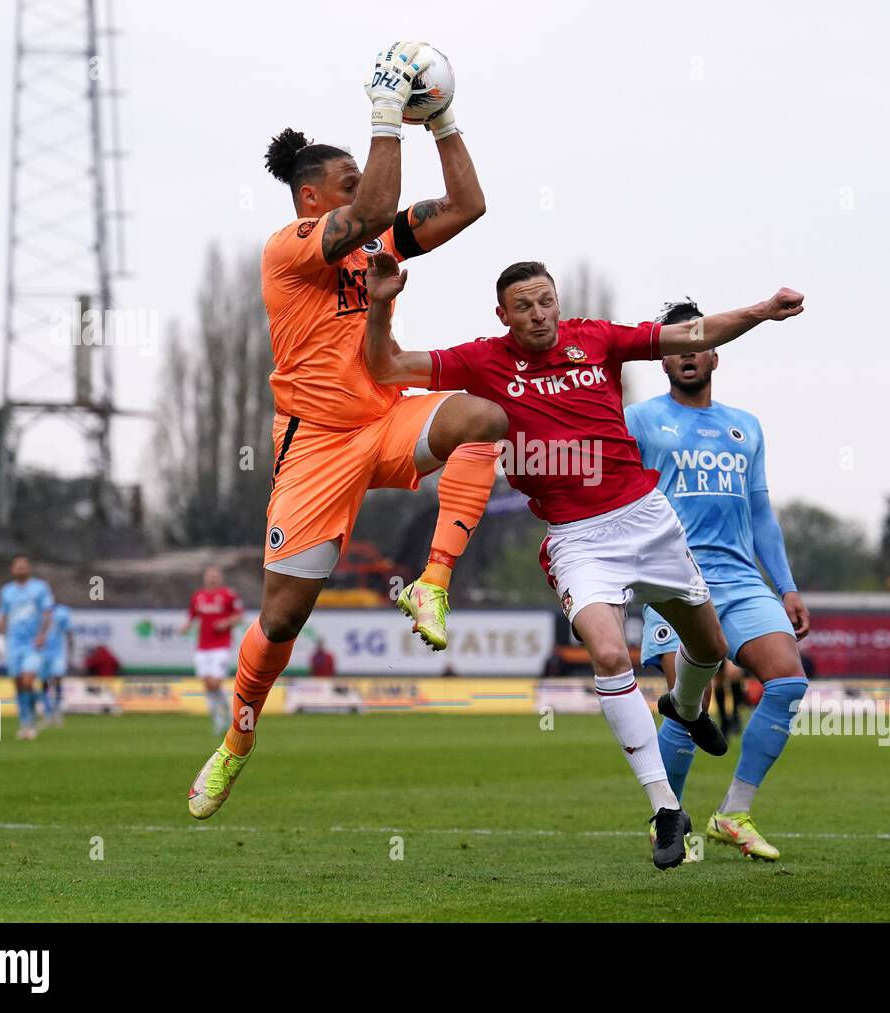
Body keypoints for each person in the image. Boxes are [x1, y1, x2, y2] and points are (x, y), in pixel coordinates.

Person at [362, 254, 804, 868]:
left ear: (557, 302)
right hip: (578, 539)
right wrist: (382, 302)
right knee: (608, 653)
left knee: (710, 649)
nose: (538, 314)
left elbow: (691, 334)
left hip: (649, 520)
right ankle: (664, 809)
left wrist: (760, 310)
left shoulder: (594, 340)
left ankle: (682, 704)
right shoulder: (482, 359)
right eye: (524, 306)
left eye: (546, 301)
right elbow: (385, 365)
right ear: (503, 315)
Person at [189, 42, 507, 820]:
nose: (366, 193)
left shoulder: (371, 247)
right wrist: (384, 113)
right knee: (281, 619)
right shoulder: (289, 248)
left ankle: (432, 584)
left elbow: (467, 207)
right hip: (316, 448)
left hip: (384, 418)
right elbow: (369, 212)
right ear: (310, 197)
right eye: (346, 182)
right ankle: (237, 741)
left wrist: (443, 119)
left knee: (485, 418)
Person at [626, 299, 810, 861]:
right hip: (673, 583)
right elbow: (612, 495)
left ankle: (733, 814)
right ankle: (668, 821)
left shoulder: (745, 427)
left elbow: (760, 514)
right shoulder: (637, 420)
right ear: (663, 358)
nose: (689, 354)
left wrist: (786, 585)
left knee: (788, 682)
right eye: (677, 345)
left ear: (715, 353)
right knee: (689, 703)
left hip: (740, 580)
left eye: (699, 342)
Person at [0, 555, 54, 741]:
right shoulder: (6, 591)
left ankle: (32, 719)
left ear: (29, 569)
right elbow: (3, 616)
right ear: (12, 570)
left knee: (28, 681)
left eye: (24, 566)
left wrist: (43, 634)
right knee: (18, 684)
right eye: (17, 567)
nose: (20, 569)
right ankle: (25, 721)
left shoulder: (40, 588)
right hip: (14, 643)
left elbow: (47, 612)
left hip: (33, 643)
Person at [181, 567, 244, 735]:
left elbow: (239, 616)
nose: (212, 579)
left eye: (215, 576)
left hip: (221, 646)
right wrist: (186, 627)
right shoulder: (198, 596)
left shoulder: (228, 595)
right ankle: (218, 719)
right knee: (208, 685)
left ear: (221, 578)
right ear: (204, 578)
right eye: (209, 576)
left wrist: (226, 622)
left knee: (215, 682)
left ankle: (230, 716)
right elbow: (192, 616)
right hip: (202, 647)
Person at [38, 602, 74, 727]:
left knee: (57, 680)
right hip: (41, 653)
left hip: (57, 653)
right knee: (44, 683)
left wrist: (70, 655)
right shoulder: (36, 609)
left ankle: (57, 711)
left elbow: (69, 633)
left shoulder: (63, 612)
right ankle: (48, 714)